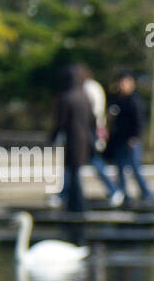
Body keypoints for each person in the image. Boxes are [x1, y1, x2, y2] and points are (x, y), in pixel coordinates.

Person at [52, 64, 95, 213]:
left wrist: (52, 137)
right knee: (75, 173)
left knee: (74, 174)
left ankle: (77, 206)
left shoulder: (66, 98)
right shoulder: (85, 97)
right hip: (83, 140)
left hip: (72, 141)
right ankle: (75, 204)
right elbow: (92, 121)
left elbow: (60, 122)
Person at [106, 71, 153, 206]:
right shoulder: (116, 100)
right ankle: (124, 193)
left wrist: (135, 137)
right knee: (120, 167)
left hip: (131, 140)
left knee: (135, 167)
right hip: (119, 139)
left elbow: (139, 121)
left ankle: (146, 192)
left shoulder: (134, 100)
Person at [78, 64, 121, 206]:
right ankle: (113, 189)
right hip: (93, 130)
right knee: (83, 164)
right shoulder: (93, 87)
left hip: (90, 131)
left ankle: (114, 189)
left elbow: (93, 113)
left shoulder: (88, 88)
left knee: (92, 162)